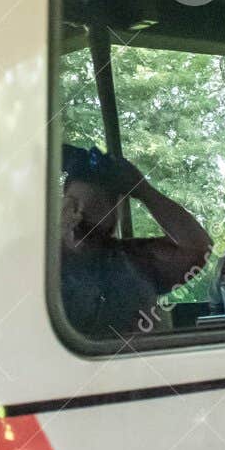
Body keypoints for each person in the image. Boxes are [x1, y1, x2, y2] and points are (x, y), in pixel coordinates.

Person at [59, 144, 212, 339]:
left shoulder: (136, 261)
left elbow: (197, 247)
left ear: (114, 218)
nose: (79, 219)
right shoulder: (39, 267)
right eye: (72, 206)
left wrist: (143, 191)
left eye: (94, 210)